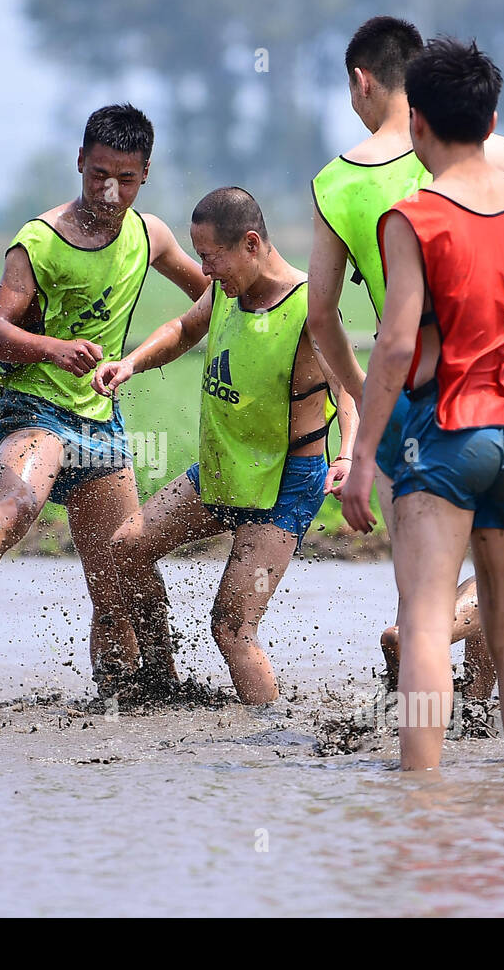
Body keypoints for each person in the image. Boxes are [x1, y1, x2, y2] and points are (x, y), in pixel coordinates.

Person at [307, 16, 504, 698]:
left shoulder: (335, 184)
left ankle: (441, 741)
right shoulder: (494, 153)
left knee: (427, 582)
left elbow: (322, 316)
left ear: (362, 81)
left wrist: (362, 406)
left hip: (409, 407)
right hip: (503, 400)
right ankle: (458, 682)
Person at [0, 103, 208, 698]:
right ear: (79, 162)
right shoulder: (40, 242)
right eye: (99, 173)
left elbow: (212, 295)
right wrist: (51, 348)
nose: (110, 190)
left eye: (126, 178)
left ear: (145, 174)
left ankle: (146, 697)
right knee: (17, 502)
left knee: (122, 576)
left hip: (100, 423)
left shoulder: (152, 236)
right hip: (36, 413)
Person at [341, 38, 504, 769]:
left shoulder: (415, 217)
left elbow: (398, 346)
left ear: (418, 125)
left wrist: (364, 453)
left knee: (428, 623)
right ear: (492, 118)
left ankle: (422, 796)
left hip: (444, 437)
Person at [97, 188, 352, 704]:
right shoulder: (225, 294)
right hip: (220, 471)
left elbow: (346, 389)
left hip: (285, 484)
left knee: (232, 628)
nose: (205, 272)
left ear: (251, 244)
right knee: (125, 547)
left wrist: (347, 454)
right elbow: (183, 328)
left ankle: (271, 740)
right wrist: (130, 364)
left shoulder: (309, 307)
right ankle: (159, 680)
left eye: (211, 258)